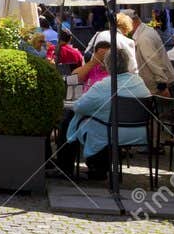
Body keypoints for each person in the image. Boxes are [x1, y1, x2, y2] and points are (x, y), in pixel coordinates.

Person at [59, 48, 152, 181]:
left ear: (107, 64)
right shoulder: (138, 81)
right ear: (127, 63)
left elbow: (80, 107)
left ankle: (65, 168)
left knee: (70, 120)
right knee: (99, 121)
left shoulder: (104, 85)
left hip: (112, 132)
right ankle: (99, 168)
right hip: (139, 132)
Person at [118, 11, 174, 95]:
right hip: (156, 84)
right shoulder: (145, 31)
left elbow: (153, 62)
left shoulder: (144, 37)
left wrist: (162, 86)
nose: (122, 29)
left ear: (131, 22)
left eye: (122, 25)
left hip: (157, 87)